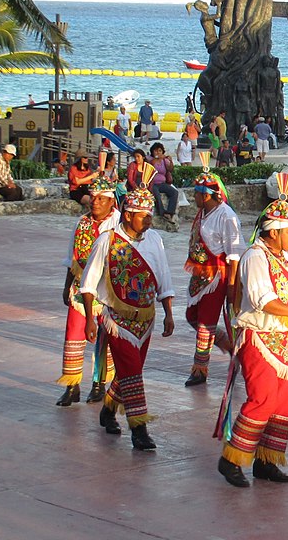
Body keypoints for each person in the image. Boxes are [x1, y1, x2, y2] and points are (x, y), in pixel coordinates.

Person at [213, 186, 288, 488]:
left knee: (285, 404)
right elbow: (263, 300)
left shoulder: (286, 259)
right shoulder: (254, 257)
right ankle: (232, 458)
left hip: (284, 341)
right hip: (259, 336)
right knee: (262, 400)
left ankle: (266, 461)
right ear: (275, 232)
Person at [80, 187, 175, 450]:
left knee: (129, 372)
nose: (148, 220)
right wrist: (90, 319)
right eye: (143, 216)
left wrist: (168, 312)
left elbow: (163, 275)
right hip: (117, 321)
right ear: (127, 215)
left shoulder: (155, 239)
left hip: (146, 318)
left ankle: (108, 410)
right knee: (132, 372)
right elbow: (88, 285)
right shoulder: (106, 241)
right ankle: (139, 429)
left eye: (149, 215)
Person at [55, 177, 120, 406]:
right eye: (93, 198)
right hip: (81, 288)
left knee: (105, 338)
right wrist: (66, 286)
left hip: (107, 291)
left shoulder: (118, 224)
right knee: (73, 334)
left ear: (111, 201)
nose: (95, 202)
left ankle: (99, 383)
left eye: (101, 198)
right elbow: (72, 257)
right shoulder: (81, 223)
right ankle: (72, 385)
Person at [184, 168, 245, 387]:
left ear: (206, 195)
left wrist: (231, 285)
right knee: (192, 316)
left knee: (205, 323)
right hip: (200, 274)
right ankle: (228, 345)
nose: (194, 198)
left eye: (196, 194)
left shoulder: (226, 215)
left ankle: (200, 369)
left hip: (217, 275)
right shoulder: (202, 213)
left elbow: (234, 252)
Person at [148, 143, 179, 225]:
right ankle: (162, 212)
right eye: (156, 151)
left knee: (174, 192)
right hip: (152, 183)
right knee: (156, 195)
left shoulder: (164, 160)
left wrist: (170, 161)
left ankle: (170, 212)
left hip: (162, 183)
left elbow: (170, 169)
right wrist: (157, 159)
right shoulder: (150, 159)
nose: (158, 153)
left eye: (160, 151)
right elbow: (151, 165)